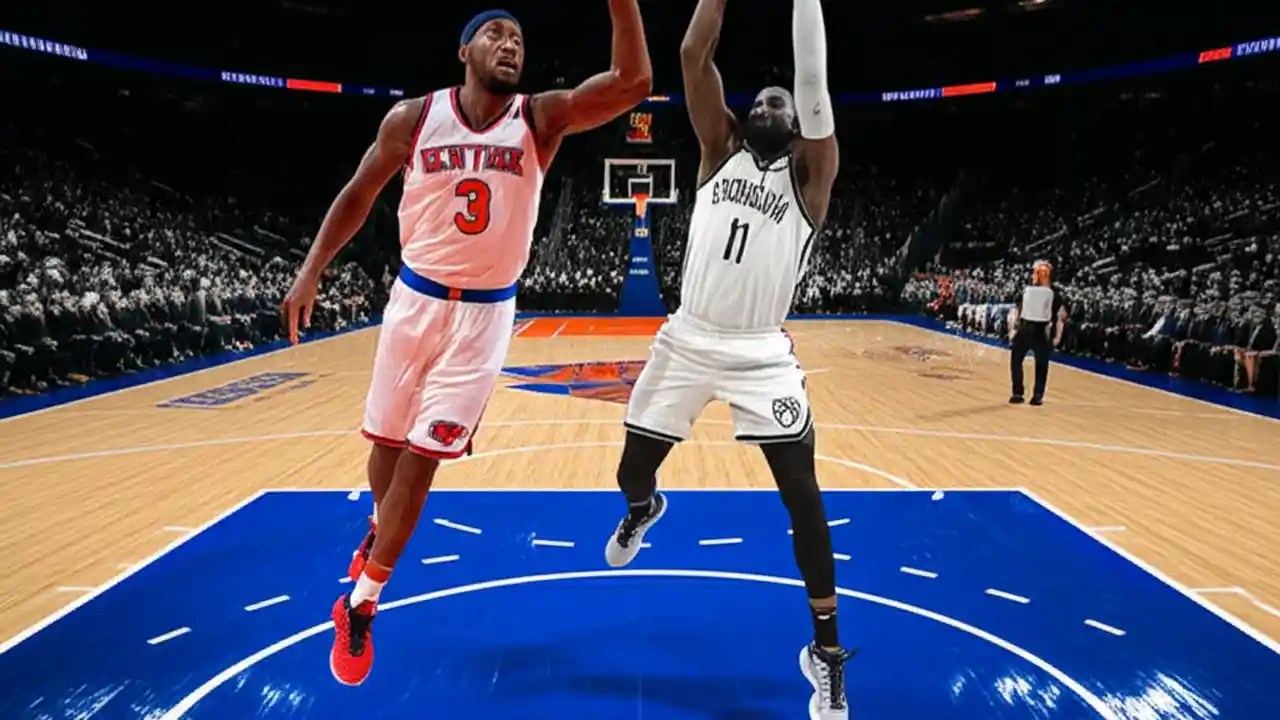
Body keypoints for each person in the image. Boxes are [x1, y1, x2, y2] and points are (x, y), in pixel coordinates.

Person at [280, 5, 653, 686]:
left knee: (423, 461)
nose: (510, 45)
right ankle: (377, 530)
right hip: (414, 300)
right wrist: (311, 271)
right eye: (495, 35)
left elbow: (632, 82)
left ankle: (360, 606)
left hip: (483, 318)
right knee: (387, 451)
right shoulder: (413, 119)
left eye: (518, 39)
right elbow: (359, 191)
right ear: (464, 50)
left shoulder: (539, 119)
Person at [600, 0, 850, 717]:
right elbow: (692, 58)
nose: (773, 103)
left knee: (803, 495)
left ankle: (827, 653)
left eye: (784, 101)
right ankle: (644, 509)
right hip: (686, 338)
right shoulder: (718, 148)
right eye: (761, 99)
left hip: (762, 354)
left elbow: (812, 77)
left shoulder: (812, 177)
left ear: (799, 120)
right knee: (629, 471)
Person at [1007, 260, 1068, 405]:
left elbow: (1061, 317)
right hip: (1031, 328)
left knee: (1032, 362)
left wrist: (1057, 336)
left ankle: (1027, 393)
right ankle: (1029, 393)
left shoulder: (1045, 293)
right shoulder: (1035, 291)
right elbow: (1016, 310)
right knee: (1027, 361)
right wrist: (1012, 329)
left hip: (1037, 328)